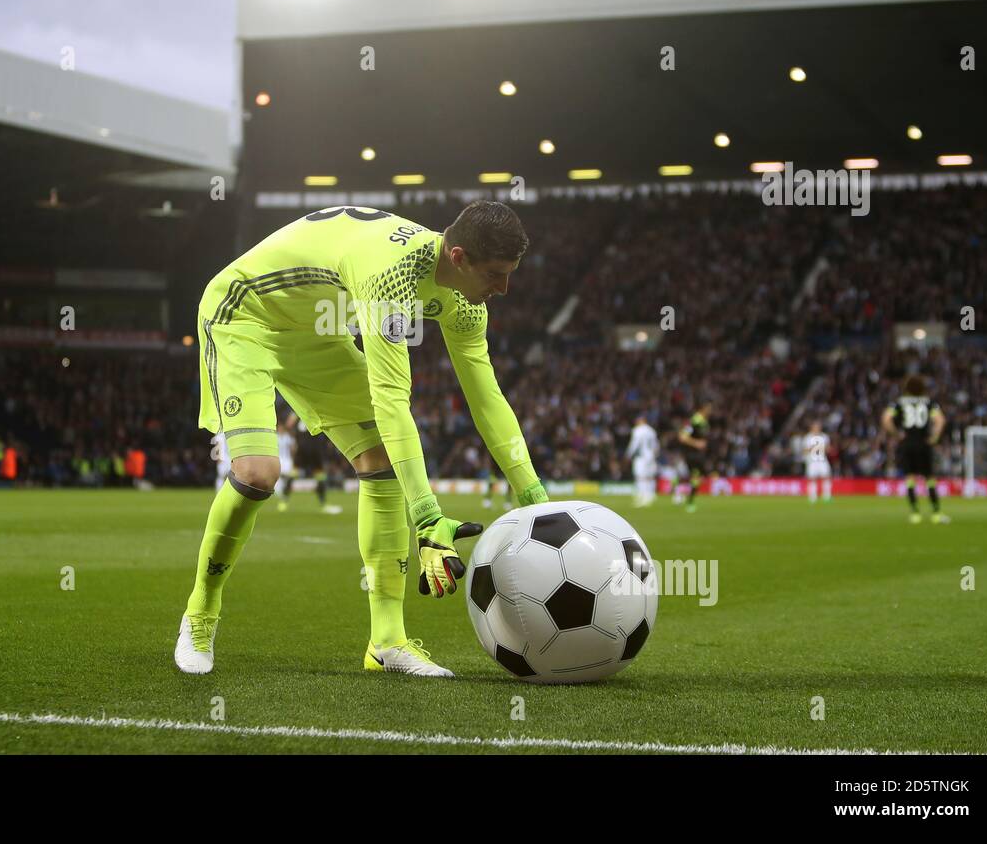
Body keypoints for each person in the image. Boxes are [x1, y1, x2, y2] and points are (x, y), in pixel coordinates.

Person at [176, 201, 548, 678]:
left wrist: (533, 495)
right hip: (244, 317)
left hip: (315, 332)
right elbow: (392, 400)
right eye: (496, 275)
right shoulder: (391, 276)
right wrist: (428, 517)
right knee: (258, 474)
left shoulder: (464, 300)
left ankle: (387, 643)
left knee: (382, 465)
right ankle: (199, 616)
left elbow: (486, 397)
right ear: (459, 258)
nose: (504, 289)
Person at [882, 375, 949, 524]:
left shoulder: (899, 402)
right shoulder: (929, 402)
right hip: (924, 443)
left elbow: (886, 419)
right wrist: (935, 437)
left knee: (910, 478)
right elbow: (940, 420)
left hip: (907, 443)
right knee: (930, 478)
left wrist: (896, 434)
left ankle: (915, 514)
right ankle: (936, 513)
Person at [676, 402, 712, 513]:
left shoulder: (703, 421)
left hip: (698, 454)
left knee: (696, 477)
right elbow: (682, 437)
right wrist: (696, 443)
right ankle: (689, 501)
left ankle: (679, 490)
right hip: (692, 453)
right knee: (696, 476)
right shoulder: (694, 421)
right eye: (709, 408)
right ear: (703, 408)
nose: (710, 410)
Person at [625, 414, 659, 508]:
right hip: (651, 456)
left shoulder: (638, 430)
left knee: (640, 476)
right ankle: (651, 495)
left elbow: (635, 443)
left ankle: (642, 495)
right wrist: (654, 455)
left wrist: (628, 454)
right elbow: (656, 445)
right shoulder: (651, 430)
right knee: (649, 476)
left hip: (641, 456)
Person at [803, 420, 833, 503]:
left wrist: (826, 448)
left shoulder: (825, 437)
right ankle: (813, 497)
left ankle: (827, 496)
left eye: (818, 427)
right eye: (815, 427)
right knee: (812, 479)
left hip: (822, 460)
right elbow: (804, 450)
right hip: (812, 461)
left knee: (826, 477)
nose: (817, 428)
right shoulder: (807, 437)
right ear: (812, 428)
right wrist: (813, 448)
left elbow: (828, 449)